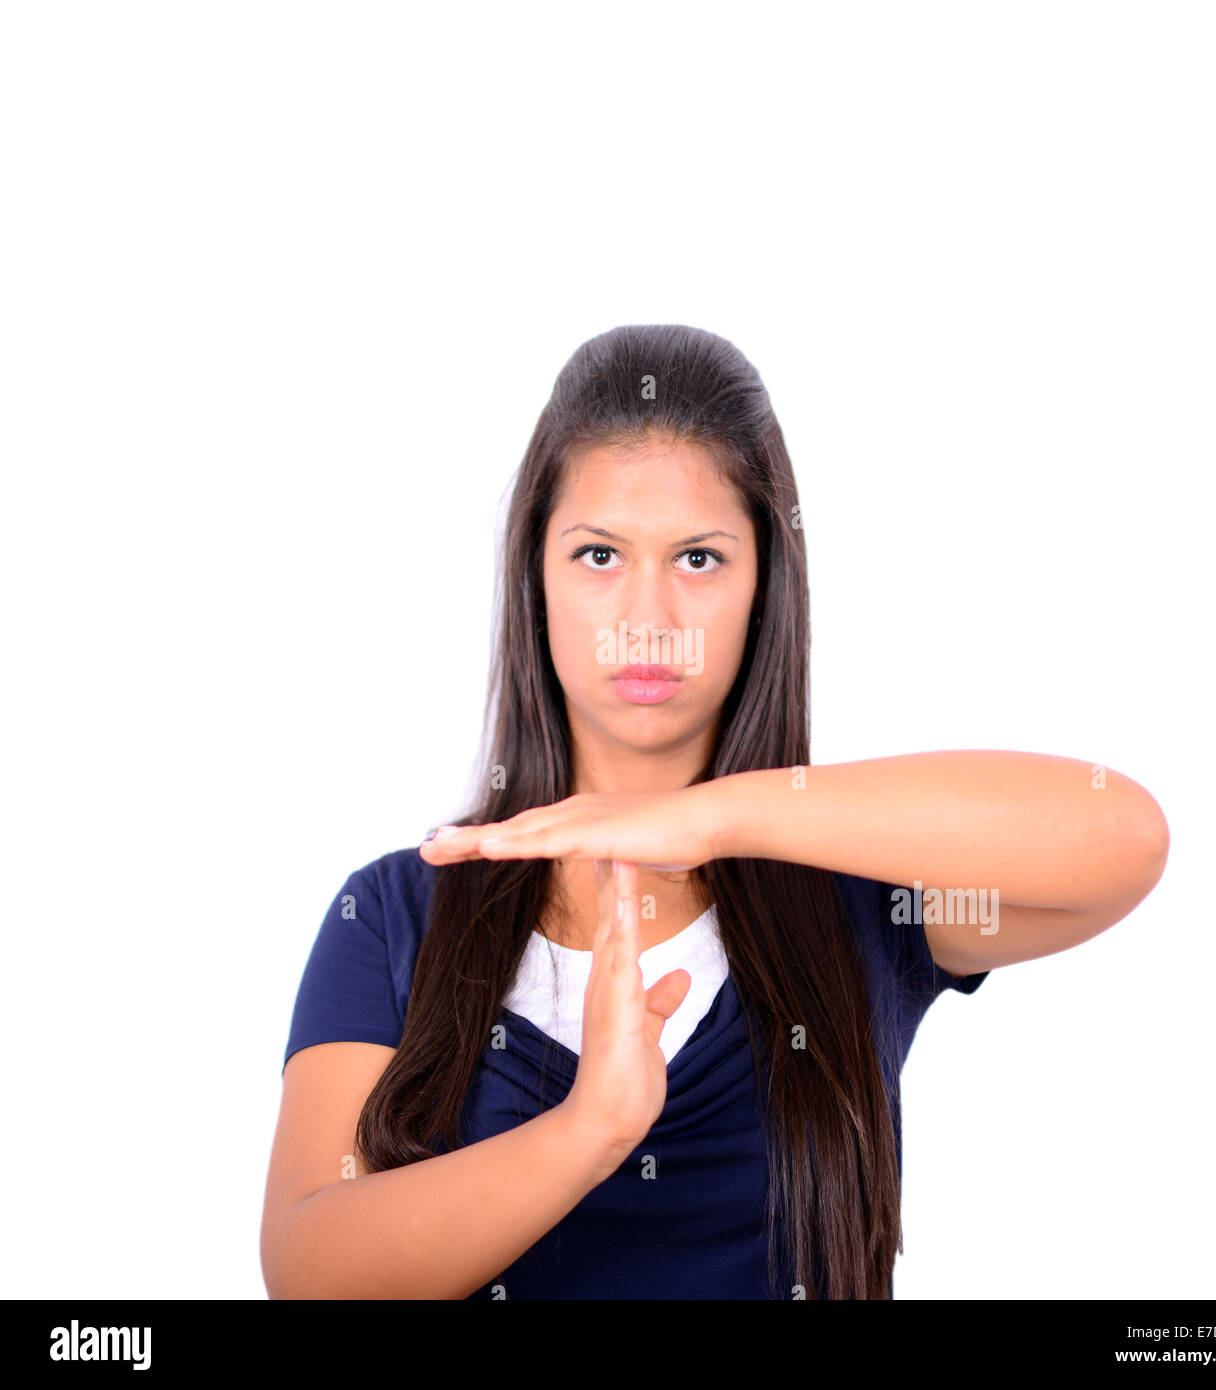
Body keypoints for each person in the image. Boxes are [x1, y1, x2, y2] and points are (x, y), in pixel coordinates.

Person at [260, 324, 1169, 1300]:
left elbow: (1120, 834)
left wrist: (712, 818)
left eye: (697, 559)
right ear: (535, 576)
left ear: (763, 582)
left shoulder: (859, 899)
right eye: (599, 553)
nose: (647, 615)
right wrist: (589, 1130)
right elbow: (311, 1272)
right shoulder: (397, 910)